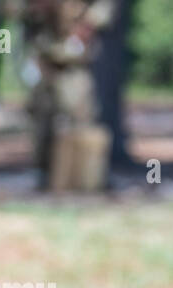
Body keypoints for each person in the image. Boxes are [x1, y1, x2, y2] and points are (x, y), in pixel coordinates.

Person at [16, 0, 115, 188]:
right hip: (43, 57)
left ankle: (88, 175)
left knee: (82, 119)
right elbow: (11, 8)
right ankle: (44, 173)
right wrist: (31, 9)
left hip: (74, 60)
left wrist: (89, 21)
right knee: (41, 120)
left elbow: (105, 8)